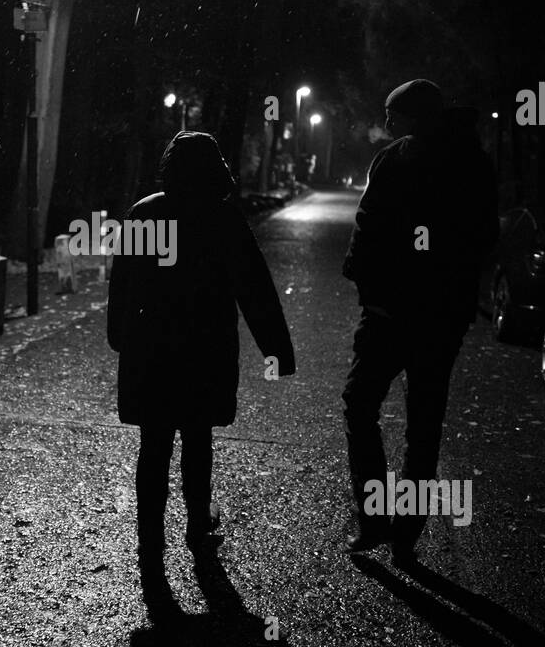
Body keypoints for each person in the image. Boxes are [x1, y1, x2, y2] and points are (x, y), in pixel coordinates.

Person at [107, 131, 295, 568]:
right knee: (198, 439)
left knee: (153, 445)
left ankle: (150, 537)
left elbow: (123, 286)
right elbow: (255, 291)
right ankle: (197, 526)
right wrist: (276, 350)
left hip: (152, 348)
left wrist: (119, 335)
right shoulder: (224, 220)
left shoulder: (144, 215)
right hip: (205, 349)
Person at [341, 80, 499, 563]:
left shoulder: (395, 161)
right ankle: (406, 536)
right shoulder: (474, 162)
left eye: (392, 115)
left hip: (391, 314)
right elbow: (482, 238)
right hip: (442, 318)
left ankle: (375, 521)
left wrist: (370, 286)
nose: (386, 124)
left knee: (360, 405)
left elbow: (369, 229)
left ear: (409, 117)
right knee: (423, 425)